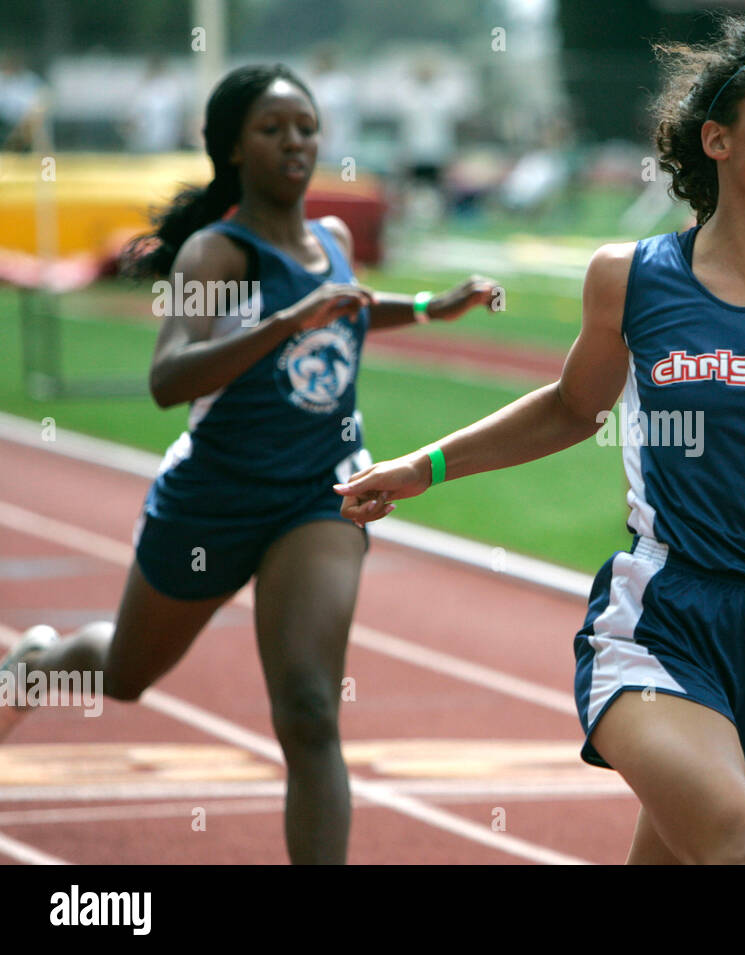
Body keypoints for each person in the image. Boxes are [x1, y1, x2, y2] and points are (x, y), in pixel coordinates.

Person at [334, 15, 745, 865]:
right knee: (743, 851)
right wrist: (422, 466)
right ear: (717, 140)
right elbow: (570, 409)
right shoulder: (632, 276)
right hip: (663, 617)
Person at [0, 64, 499, 864]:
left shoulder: (332, 242)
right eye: (273, 129)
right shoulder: (214, 255)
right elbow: (169, 378)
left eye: (304, 125)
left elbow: (347, 316)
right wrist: (286, 321)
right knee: (126, 673)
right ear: (235, 147)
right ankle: (37, 665)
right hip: (212, 498)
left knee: (307, 709)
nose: (295, 141)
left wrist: (430, 307)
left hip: (320, 491)